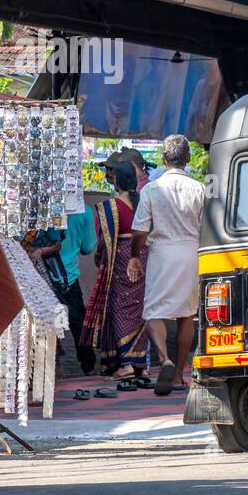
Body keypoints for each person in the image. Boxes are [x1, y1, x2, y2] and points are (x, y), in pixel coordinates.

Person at [128, 135, 205, 396]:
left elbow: (140, 231)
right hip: (191, 252)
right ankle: (179, 376)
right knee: (187, 314)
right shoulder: (199, 189)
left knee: (153, 312)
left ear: (163, 159)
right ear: (189, 159)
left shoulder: (151, 190)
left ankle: (165, 360)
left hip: (161, 252)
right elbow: (207, 227)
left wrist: (134, 255)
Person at [80, 161, 149, 386]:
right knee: (139, 309)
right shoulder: (142, 203)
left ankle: (127, 364)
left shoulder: (111, 206)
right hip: (142, 257)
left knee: (119, 308)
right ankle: (139, 364)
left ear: (116, 180)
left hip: (122, 259)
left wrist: (99, 256)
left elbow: (104, 241)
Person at [29, 207, 98, 374]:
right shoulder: (84, 211)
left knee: (43, 320)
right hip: (68, 275)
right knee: (77, 320)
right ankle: (87, 362)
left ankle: (48, 364)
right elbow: (88, 247)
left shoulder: (43, 205)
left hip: (41, 271)